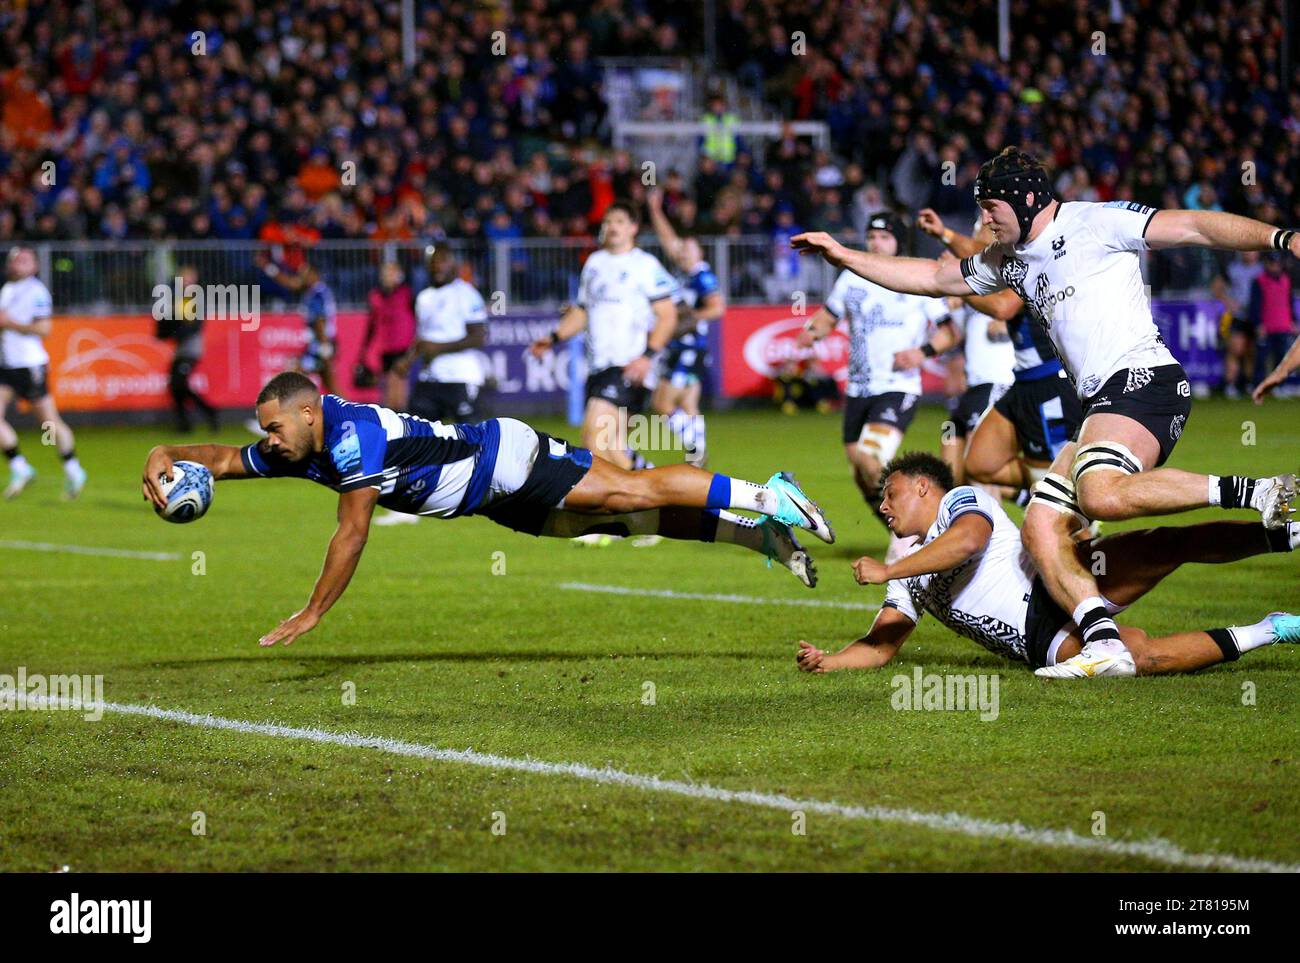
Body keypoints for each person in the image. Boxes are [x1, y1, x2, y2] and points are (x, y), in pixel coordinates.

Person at [792, 146, 1297, 679]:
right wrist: (844, 255)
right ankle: (1103, 640)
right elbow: (933, 279)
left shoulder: (1096, 220)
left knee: (1099, 494)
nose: (984, 219)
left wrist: (1281, 238)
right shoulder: (1007, 260)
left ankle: (1261, 492)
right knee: (1041, 524)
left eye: (992, 208)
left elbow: (1195, 225)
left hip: (1143, 380)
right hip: (1099, 403)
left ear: (1028, 200)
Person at [140, 372, 837, 646]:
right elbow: (224, 458)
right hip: (491, 499)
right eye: (265, 430)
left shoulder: (353, 437)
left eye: (274, 426)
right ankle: (756, 538)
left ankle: (768, 493)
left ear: (307, 410)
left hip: (502, 461)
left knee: (632, 489)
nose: (268, 439)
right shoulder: (302, 447)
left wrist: (313, 611)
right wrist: (164, 452)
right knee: (627, 517)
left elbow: (352, 534)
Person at [794, 452, 1300, 677]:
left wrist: (887, 571)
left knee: (1166, 543)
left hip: (1056, 576)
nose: (882, 507)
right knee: (1139, 658)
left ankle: (1287, 533)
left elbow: (969, 541)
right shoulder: (909, 567)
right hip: (1038, 637)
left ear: (924, 486)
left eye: (891, 494)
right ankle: (1273, 629)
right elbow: (881, 647)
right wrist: (829, 660)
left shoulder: (961, 502)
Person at [797, 211, 949, 554]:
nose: (876, 243)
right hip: (858, 389)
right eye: (871, 237)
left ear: (897, 241)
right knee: (861, 474)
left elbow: (948, 331)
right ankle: (904, 534)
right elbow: (828, 316)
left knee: (870, 458)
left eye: (883, 237)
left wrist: (922, 352)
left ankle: (919, 531)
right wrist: (810, 333)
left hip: (897, 386)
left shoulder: (913, 278)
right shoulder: (851, 278)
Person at [914, 209, 1082, 496]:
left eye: (991, 217)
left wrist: (959, 284)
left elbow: (1003, 307)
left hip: (1049, 382)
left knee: (1056, 497)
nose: (988, 223)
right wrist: (945, 235)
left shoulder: (1038, 257)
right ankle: (1052, 488)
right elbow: (980, 253)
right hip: (1022, 383)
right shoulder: (1007, 257)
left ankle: (1076, 504)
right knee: (980, 464)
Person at [529, 200, 678, 473]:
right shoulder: (595, 263)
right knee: (611, 450)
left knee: (594, 442)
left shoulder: (645, 265)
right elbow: (583, 312)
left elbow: (667, 315)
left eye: (620, 221)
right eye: (608, 222)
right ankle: (656, 498)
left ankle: (653, 497)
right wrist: (553, 336)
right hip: (598, 367)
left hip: (628, 366)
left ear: (634, 228)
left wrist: (647, 358)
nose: (612, 227)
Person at [0, 246, 86, 499]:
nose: (20, 263)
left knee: (48, 424)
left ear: (35, 266)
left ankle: (73, 468)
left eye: (26, 259)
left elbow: (44, 329)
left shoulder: (35, 291)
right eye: (16, 259)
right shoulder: (8, 289)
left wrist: (10, 323)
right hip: (6, 365)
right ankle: (20, 466)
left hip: (29, 366)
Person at [646, 188, 723, 467]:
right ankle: (696, 457)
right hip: (690, 348)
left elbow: (718, 307)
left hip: (687, 348)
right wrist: (655, 210)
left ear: (699, 252)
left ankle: (694, 448)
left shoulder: (701, 275)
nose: (681, 251)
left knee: (662, 404)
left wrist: (690, 319)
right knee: (689, 406)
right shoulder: (685, 272)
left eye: (687, 249)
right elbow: (669, 241)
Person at [408, 246, 487, 423]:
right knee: (417, 438)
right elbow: (424, 340)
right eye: (434, 262)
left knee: (471, 440)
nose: (437, 266)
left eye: (443, 261)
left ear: (454, 264)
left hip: (460, 375)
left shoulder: (467, 293)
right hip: (429, 377)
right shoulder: (423, 298)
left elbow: (478, 336)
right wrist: (407, 361)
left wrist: (438, 348)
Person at [157, 264, 219, 433]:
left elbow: (192, 326)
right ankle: (187, 422)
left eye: (189, 277)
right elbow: (167, 324)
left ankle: (206, 412)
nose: (186, 281)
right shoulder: (178, 299)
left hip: (191, 349)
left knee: (179, 383)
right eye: (183, 277)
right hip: (181, 349)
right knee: (176, 386)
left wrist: (174, 328)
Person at [362, 262, 416, 411]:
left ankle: (403, 419)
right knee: (389, 389)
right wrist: (365, 350)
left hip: (404, 347)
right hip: (386, 348)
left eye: (390, 273)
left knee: (399, 385)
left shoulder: (406, 293)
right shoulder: (376, 296)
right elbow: (372, 324)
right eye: (384, 274)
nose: (386, 277)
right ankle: (393, 420)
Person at [1211, 251, 1262, 399]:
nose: (1248, 253)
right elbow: (1216, 287)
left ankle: (1247, 383)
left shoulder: (1262, 269)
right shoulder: (1232, 268)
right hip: (1238, 316)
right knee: (1235, 349)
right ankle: (1230, 384)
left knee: (1250, 351)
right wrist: (1229, 303)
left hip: (1255, 317)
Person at [1249, 253, 1297, 398]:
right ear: (1267, 264)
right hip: (1266, 327)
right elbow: (1255, 305)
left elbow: (1289, 302)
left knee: (1282, 358)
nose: (1275, 266)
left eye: (1277, 263)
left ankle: (1280, 387)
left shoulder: (1286, 280)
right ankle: (1257, 386)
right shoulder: (1259, 281)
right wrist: (1258, 324)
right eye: (1272, 263)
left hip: (1283, 325)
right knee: (1261, 359)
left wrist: (1293, 321)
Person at [296, 263, 337, 394]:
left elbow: (320, 320)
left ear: (313, 274)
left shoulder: (316, 294)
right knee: (330, 384)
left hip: (319, 344)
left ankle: (288, 411)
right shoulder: (321, 291)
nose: (302, 278)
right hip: (324, 342)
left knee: (295, 375)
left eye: (304, 275)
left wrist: (324, 345)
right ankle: (349, 412)